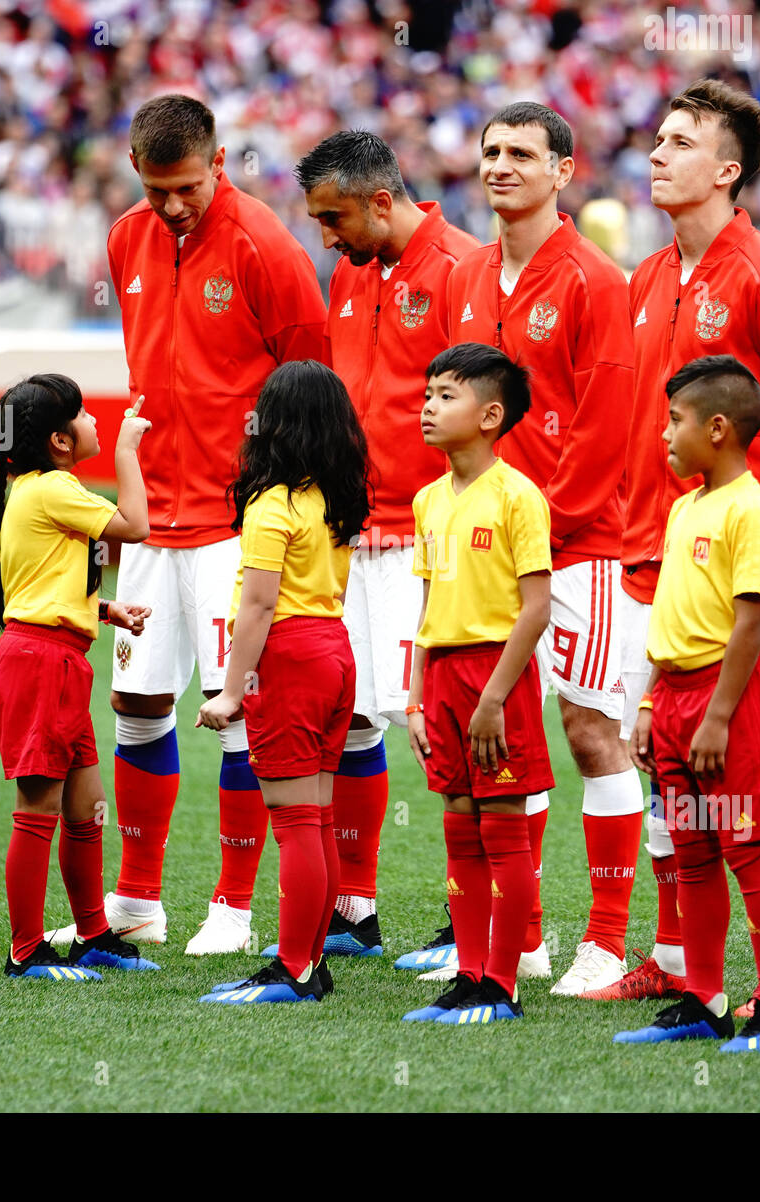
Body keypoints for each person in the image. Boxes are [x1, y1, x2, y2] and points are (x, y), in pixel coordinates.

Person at [47, 95, 329, 957]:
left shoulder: (266, 244)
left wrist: (282, 494)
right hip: (147, 515)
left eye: (189, 188)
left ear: (218, 163)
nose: (174, 205)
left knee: (235, 707)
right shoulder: (126, 235)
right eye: (157, 188)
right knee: (136, 700)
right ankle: (137, 901)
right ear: (136, 166)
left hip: (234, 517)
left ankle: (235, 906)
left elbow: (310, 377)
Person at [607, 80, 760, 1014]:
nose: (656, 154)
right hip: (647, 555)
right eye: (655, 138)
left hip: (739, 563)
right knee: (666, 772)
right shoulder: (649, 275)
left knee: (756, 775)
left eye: (678, 141)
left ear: (728, 170)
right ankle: (677, 962)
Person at [445, 102, 641, 999]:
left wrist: (535, 533)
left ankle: (603, 942)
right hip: (490, 551)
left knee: (592, 731)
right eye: (490, 151)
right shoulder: (470, 273)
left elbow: (605, 433)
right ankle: (511, 941)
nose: (501, 165)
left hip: (584, 544)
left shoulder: (599, 281)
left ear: (564, 170)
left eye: (523, 153)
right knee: (498, 737)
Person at [292, 130, 479, 963]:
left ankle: (472, 923)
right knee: (349, 720)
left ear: (379, 200)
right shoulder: (349, 271)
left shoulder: (463, 269)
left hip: (429, 536)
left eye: (333, 218)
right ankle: (355, 910)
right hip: (353, 531)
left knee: (439, 723)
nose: (325, 236)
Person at [617, 355, 760, 1053]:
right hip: (675, 700)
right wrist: (648, 706)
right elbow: (673, 613)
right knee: (692, 852)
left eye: (675, 420)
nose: (664, 433)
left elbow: (751, 620)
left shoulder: (751, 509)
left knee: (748, 853)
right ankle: (705, 998)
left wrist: (719, 716)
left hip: (728, 703)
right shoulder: (684, 506)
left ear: (718, 428)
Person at [196, 361, 369, 1004]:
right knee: (317, 817)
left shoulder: (273, 504)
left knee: (295, 821)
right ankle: (310, 960)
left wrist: (233, 692)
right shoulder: (333, 498)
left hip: (292, 659)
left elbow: (258, 606)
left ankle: (294, 968)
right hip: (334, 650)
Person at [0, 376, 160, 981]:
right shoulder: (55, 487)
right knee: (39, 806)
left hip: (55, 659)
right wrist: (128, 453)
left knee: (84, 809)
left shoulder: (28, 488)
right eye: (84, 415)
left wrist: (106, 611)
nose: (94, 422)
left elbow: (40, 580)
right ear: (60, 440)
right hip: (43, 664)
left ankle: (93, 935)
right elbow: (136, 525)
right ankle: (26, 951)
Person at [401, 343, 553, 1024]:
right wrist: (413, 694)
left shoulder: (520, 497)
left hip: (499, 678)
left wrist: (493, 696)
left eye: (445, 395)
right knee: (459, 821)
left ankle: (503, 982)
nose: (428, 406)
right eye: (428, 394)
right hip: (442, 677)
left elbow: (537, 607)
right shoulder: (428, 499)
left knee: (503, 825)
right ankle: (467, 973)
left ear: (491, 415)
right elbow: (429, 604)